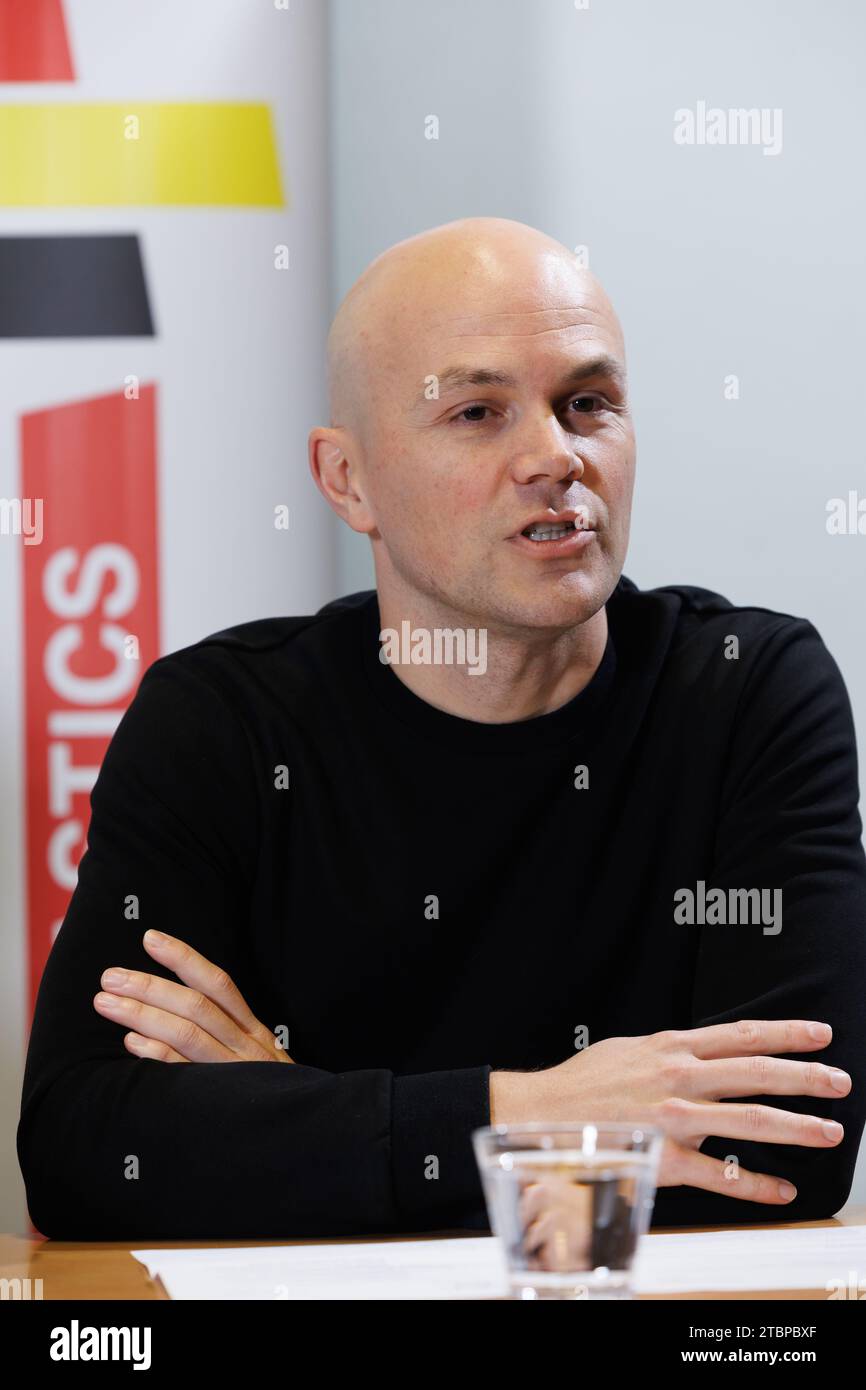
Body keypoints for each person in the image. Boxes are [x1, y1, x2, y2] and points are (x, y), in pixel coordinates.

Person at [18, 217, 865, 1239]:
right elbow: (84, 1150)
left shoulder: (747, 691)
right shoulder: (221, 721)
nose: (555, 456)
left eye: (586, 403)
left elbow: (777, 1147)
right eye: (476, 411)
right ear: (347, 481)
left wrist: (300, 1113)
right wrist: (538, 1109)